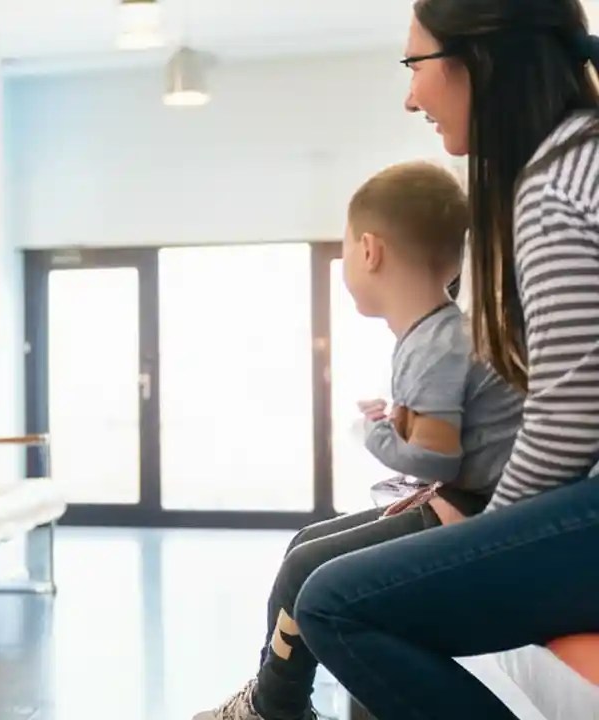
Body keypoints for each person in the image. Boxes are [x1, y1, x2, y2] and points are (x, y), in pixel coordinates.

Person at [293, 2, 599, 718]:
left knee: (333, 602)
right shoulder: (582, 153)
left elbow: (567, 420)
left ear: (478, 61)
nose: (410, 95)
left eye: (415, 66)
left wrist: (483, 528)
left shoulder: (557, 182)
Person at [195, 161, 524, 720]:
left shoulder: (434, 342)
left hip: (470, 512)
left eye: (346, 248)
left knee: (306, 569)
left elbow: (436, 456)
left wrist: (370, 432)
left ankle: (274, 708)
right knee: (305, 544)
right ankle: (272, 701)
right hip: (463, 500)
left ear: (369, 251)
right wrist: (399, 421)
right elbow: (447, 437)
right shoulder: (438, 331)